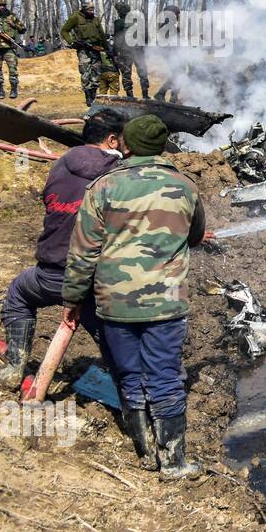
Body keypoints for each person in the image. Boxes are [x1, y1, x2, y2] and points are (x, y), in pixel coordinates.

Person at [63, 115, 207, 478]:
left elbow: (83, 252)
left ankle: (144, 449)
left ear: (125, 145)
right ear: (160, 146)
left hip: (114, 301)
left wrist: (73, 298)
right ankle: (173, 461)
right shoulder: (184, 186)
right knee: (164, 375)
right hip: (167, 302)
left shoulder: (103, 187)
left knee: (129, 374)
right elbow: (194, 236)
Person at [0, 110, 127, 392]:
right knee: (115, 335)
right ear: (113, 140)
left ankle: (14, 366)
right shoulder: (119, 175)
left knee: (18, 294)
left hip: (49, 274)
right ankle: (128, 384)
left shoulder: (60, 164)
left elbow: (50, 202)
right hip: (94, 282)